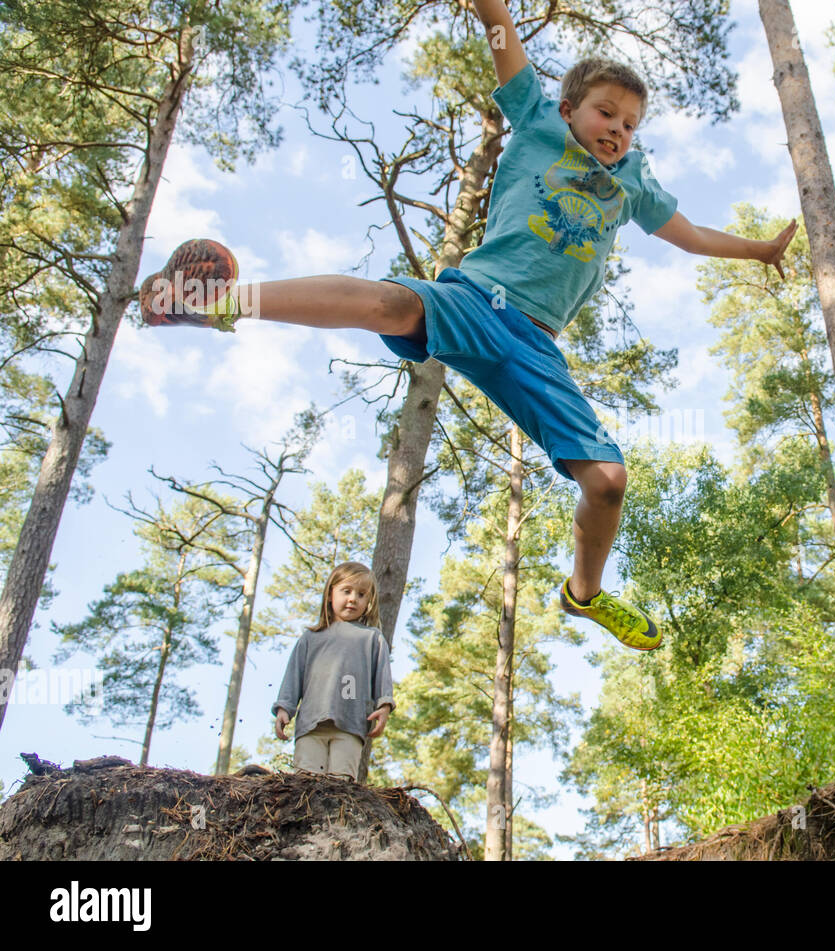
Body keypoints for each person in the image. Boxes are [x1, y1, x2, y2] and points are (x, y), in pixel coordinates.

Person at [140, 0, 797, 653]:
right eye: (606, 113)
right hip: (477, 300)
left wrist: (759, 249)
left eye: (631, 124)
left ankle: (585, 594)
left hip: (535, 346)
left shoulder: (633, 184)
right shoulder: (538, 119)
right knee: (391, 304)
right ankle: (217, 301)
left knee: (607, 482)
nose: (618, 130)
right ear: (569, 109)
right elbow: (500, 34)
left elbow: (689, 234)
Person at [272, 562, 394, 781]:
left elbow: (383, 675)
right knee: (306, 784)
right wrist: (284, 708)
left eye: (361, 594)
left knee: (341, 786)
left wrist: (384, 706)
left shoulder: (372, 638)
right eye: (346, 591)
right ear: (330, 595)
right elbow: (293, 675)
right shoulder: (310, 638)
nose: (352, 599)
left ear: (368, 602)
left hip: (350, 724)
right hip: (311, 724)